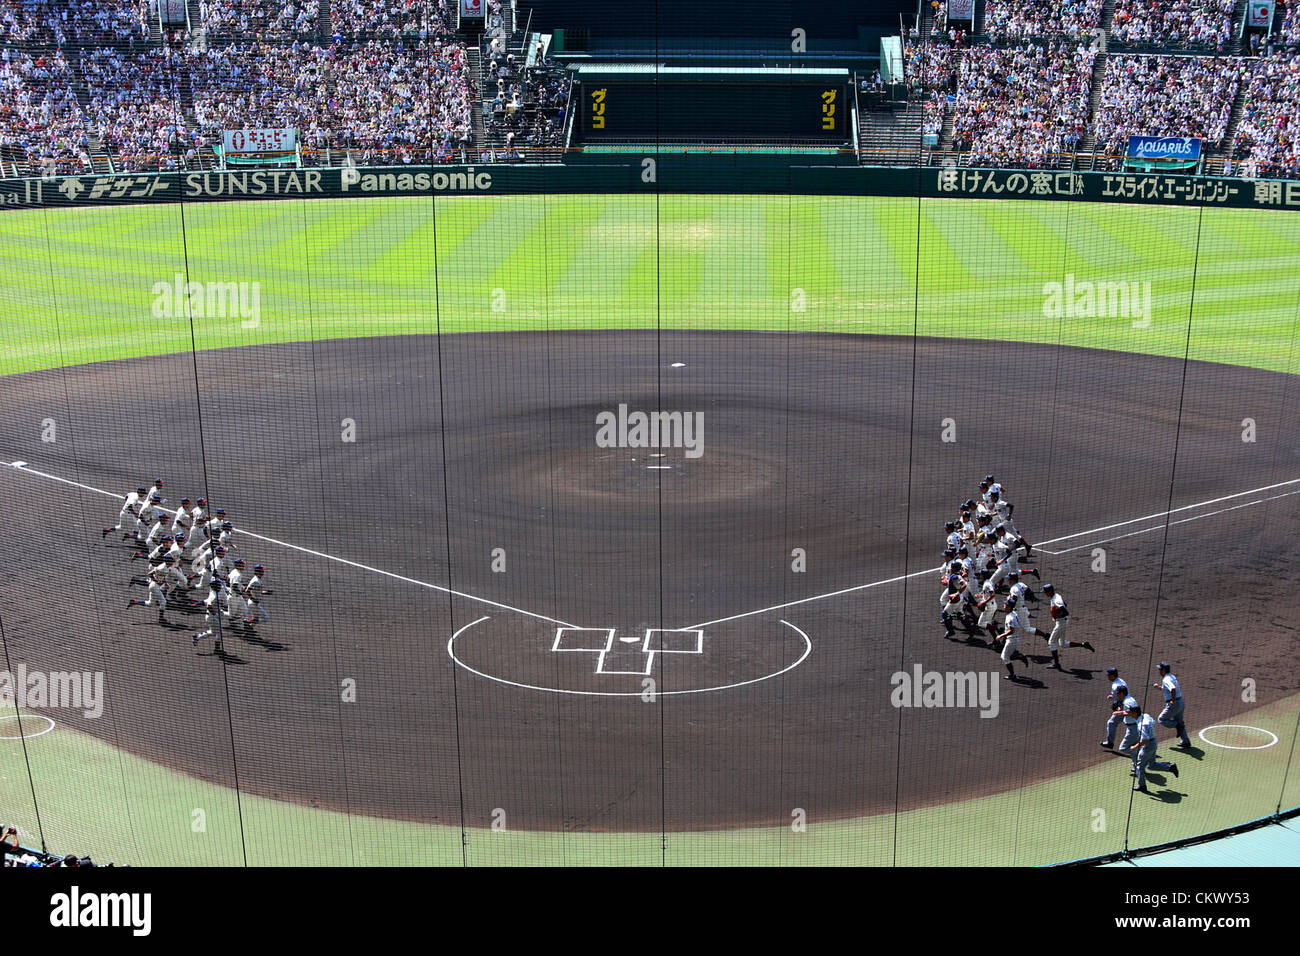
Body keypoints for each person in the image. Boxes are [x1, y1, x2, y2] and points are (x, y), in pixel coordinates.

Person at [1125, 703, 1179, 793]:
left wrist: (1134, 747)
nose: (1129, 714)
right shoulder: (1145, 716)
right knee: (1151, 765)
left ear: (1135, 713)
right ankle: (1170, 767)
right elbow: (1153, 722)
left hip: (1148, 745)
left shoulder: (1141, 725)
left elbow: (1145, 739)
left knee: (1139, 766)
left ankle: (1142, 786)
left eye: (1130, 712)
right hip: (1154, 742)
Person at [1040, 583, 1093, 668]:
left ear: (1050, 591)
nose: (1045, 594)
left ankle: (1057, 664)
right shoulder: (1057, 596)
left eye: (1045, 592)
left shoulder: (1056, 600)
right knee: (1063, 644)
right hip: (1062, 622)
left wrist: (1057, 616)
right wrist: (1056, 616)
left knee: (1051, 642)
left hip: (1061, 623)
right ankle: (1083, 644)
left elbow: (1066, 612)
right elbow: (1065, 604)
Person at [1154, 661, 1192, 748]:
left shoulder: (1166, 679)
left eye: (1160, 669)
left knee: (1161, 719)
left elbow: (1173, 689)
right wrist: (1159, 688)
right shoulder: (1171, 677)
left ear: (1163, 670)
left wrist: (1173, 701)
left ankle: (1177, 726)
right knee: (1180, 722)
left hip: (1175, 703)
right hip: (1181, 702)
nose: (1159, 671)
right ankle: (1186, 741)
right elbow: (1168, 689)